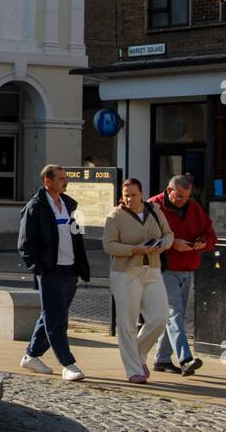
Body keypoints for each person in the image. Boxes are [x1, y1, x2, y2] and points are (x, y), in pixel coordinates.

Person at [18, 164, 91, 381]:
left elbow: (77, 237)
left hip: (70, 269)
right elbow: (25, 244)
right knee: (57, 319)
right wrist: (40, 268)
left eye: (65, 178)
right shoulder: (36, 206)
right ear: (47, 181)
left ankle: (31, 355)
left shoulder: (69, 204)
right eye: (60, 178)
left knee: (52, 316)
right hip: (50, 271)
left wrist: (81, 266)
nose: (65, 182)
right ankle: (68, 364)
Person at [102, 178, 172, 383]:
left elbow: (168, 233)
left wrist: (164, 244)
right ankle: (133, 370)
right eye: (126, 196)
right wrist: (135, 249)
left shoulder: (154, 210)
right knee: (127, 323)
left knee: (160, 318)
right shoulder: (115, 216)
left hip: (153, 269)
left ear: (141, 194)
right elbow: (109, 245)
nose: (130, 199)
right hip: (125, 273)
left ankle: (138, 354)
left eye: (133, 195)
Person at [146, 174, 214, 377]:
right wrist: (173, 243)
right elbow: (147, 238)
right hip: (164, 269)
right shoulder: (154, 206)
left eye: (187, 197)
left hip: (188, 268)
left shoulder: (193, 208)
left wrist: (203, 242)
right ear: (169, 190)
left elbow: (211, 235)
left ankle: (162, 359)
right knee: (174, 314)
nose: (184, 201)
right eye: (180, 196)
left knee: (175, 316)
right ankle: (185, 359)